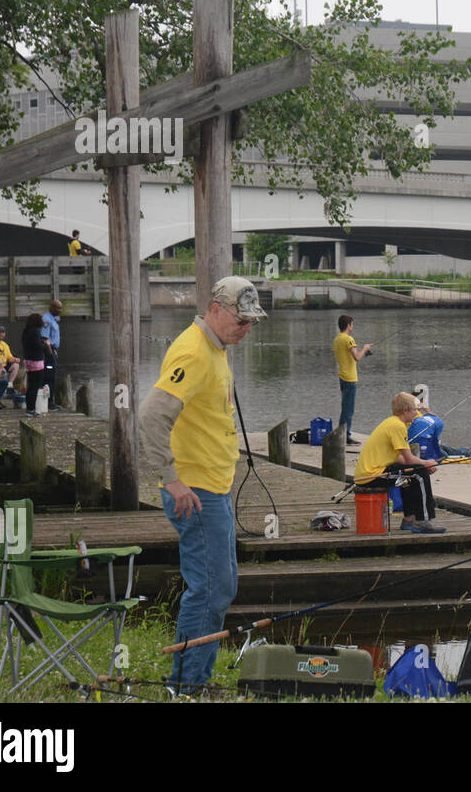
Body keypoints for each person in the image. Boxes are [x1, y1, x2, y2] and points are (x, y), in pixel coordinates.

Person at [138, 275, 267, 689]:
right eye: (240, 320)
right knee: (210, 590)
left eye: (251, 323)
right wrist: (171, 480)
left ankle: (191, 677)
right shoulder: (194, 352)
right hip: (195, 492)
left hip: (215, 487)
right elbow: (151, 415)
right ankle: (187, 684)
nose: (246, 329)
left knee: (220, 586)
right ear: (215, 309)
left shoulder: (216, 347)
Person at [352, 392, 442, 534]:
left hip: (374, 471)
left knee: (408, 476)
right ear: (405, 410)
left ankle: (409, 519)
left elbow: (399, 458)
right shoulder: (397, 426)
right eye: (414, 410)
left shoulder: (392, 422)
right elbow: (409, 459)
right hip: (371, 476)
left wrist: (422, 463)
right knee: (419, 474)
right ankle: (423, 520)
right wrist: (426, 463)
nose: (416, 413)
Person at [332, 314, 372, 447]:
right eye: (352, 324)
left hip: (342, 377)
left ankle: (342, 433)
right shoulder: (348, 339)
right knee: (348, 409)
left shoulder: (337, 339)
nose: (352, 326)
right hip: (350, 378)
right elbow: (357, 357)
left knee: (345, 407)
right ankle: (345, 436)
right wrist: (365, 349)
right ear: (348, 325)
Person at [407, 398, 471, 462]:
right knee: (444, 454)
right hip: (418, 448)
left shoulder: (419, 415)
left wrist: (427, 411)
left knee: (446, 447)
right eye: (421, 402)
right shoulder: (412, 417)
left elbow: (435, 422)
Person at [21, 313, 49, 415]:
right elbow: (38, 345)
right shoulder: (35, 331)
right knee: (35, 386)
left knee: (30, 385)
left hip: (28, 360)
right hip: (36, 361)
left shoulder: (26, 331)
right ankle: (31, 409)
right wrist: (45, 344)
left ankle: (30, 408)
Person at [41, 299, 64, 411]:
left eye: (61, 308)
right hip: (48, 353)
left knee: (51, 377)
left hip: (52, 351)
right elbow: (45, 339)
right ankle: (49, 403)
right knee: (49, 377)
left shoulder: (53, 319)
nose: (60, 310)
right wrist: (50, 353)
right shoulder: (47, 320)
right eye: (58, 308)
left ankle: (50, 401)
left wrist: (54, 352)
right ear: (51, 307)